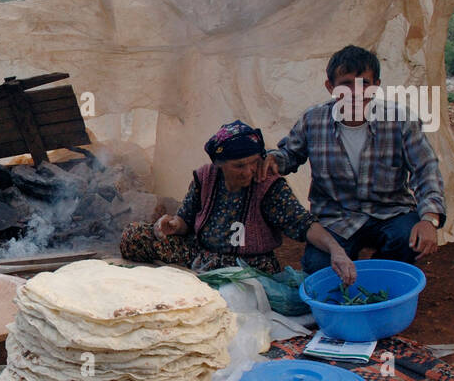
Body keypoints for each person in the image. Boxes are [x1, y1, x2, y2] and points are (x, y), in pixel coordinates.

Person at [260, 45, 446, 275]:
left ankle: (380, 277)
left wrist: (430, 219)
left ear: (376, 86)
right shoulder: (313, 120)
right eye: (346, 83)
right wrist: (274, 160)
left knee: (405, 242)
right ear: (330, 87)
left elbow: (425, 169)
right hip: (337, 216)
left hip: (390, 212)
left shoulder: (400, 120)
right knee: (318, 267)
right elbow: (290, 154)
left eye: (364, 83)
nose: (355, 91)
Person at [120, 120, 356, 283]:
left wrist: (336, 250)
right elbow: (185, 219)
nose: (249, 171)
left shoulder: (268, 185)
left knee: (233, 295)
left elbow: (304, 223)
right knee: (135, 235)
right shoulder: (205, 177)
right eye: (239, 166)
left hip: (248, 268)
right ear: (220, 165)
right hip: (201, 255)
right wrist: (173, 224)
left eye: (254, 162)